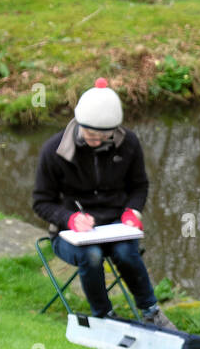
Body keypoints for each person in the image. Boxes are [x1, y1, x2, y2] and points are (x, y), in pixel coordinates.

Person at [33, 78, 177, 331]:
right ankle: (103, 317)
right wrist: (69, 219)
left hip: (116, 228)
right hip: (70, 234)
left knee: (126, 253)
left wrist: (133, 211)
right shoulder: (54, 151)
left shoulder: (129, 143)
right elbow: (41, 202)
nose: (96, 141)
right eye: (90, 135)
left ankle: (150, 311)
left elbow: (139, 186)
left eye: (104, 136)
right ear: (79, 124)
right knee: (92, 255)